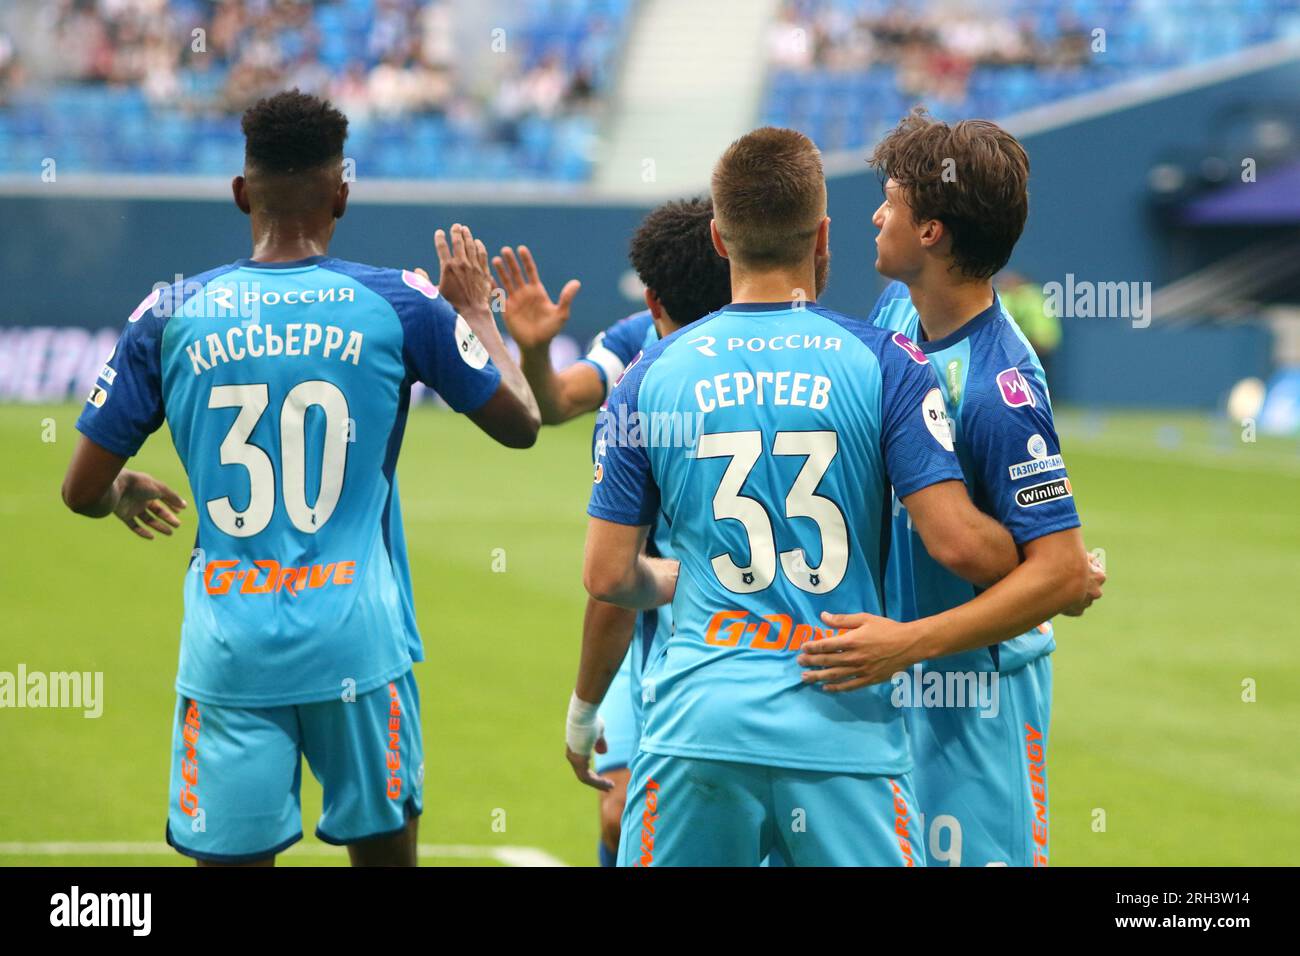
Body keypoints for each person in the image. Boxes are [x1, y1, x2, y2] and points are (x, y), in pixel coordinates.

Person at [59, 89, 540, 867]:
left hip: (229, 652)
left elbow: (80, 491)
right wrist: (478, 314)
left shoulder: (169, 312)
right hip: (359, 646)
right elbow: (521, 423)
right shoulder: (401, 304)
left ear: (240, 192)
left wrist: (119, 493)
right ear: (341, 194)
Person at [566, 127, 1054, 866]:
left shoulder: (647, 374)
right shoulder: (887, 361)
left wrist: (683, 578)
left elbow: (606, 576)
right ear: (822, 235)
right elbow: (956, 540)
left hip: (698, 720)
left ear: (719, 240)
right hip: (842, 721)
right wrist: (1052, 567)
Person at [851, 107, 1103, 865]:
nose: (876, 216)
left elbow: (1059, 571)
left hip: (976, 696)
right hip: (890, 678)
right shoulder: (897, 311)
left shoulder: (1001, 387)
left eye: (890, 202)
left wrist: (909, 644)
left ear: (931, 231)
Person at [496, 197, 731, 865]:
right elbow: (557, 401)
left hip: (716, 620)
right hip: (653, 618)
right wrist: (535, 353)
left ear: (654, 296)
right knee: (620, 811)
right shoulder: (635, 344)